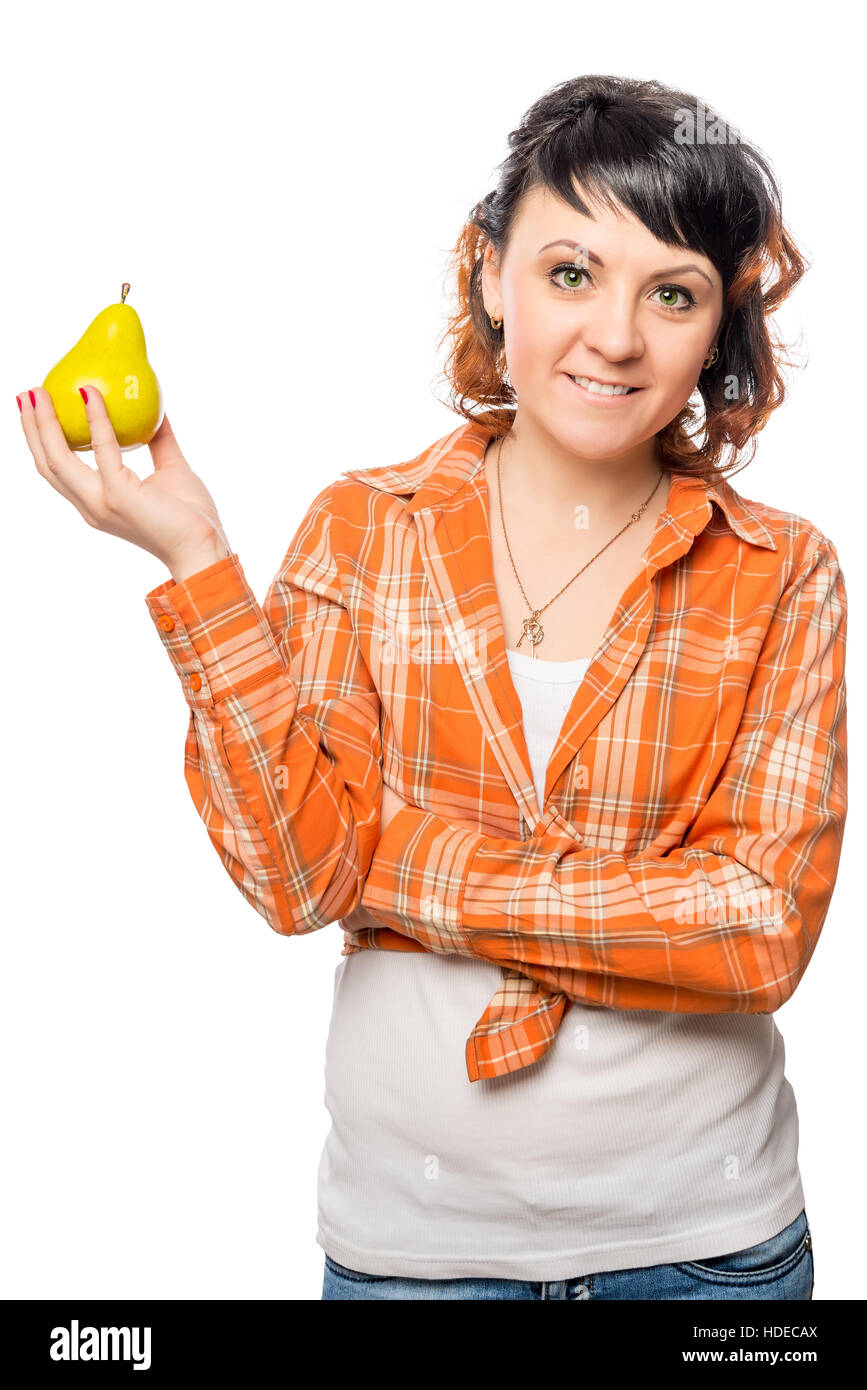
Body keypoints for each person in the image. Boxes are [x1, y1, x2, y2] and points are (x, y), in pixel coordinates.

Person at [17, 73, 846, 1302]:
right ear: (490, 274)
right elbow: (301, 876)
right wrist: (198, 564)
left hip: (707, 1256)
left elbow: (754, 931)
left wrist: (403, 867)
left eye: (671, 293)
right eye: (570, 272)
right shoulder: (364, 532)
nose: (615, 336)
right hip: (413, 1257)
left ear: (718, 331)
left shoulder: (782, 571)